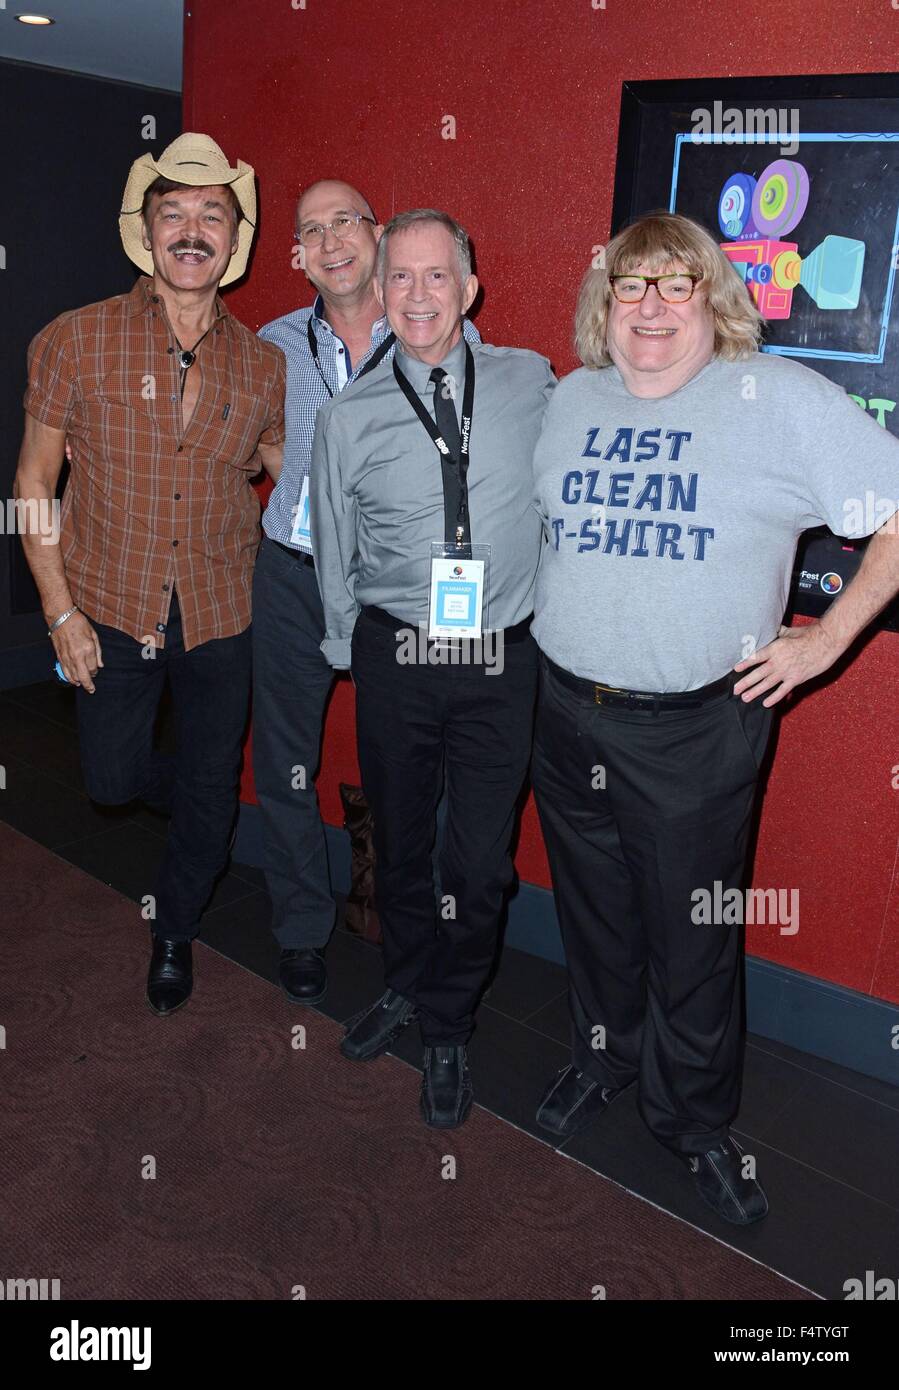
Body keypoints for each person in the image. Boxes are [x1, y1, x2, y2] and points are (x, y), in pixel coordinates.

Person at [530, 210, 899, 1222]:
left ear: (712, 300)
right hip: (563, 710)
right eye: (629, 284)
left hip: (692, 731)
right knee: (594, 916)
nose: (648, 305)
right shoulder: (570, 399)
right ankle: (601, 1063)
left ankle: (690, 1122)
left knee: (691, 940)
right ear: (604, 303)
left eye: (674, 283)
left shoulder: (774, 398)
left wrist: (824, 640)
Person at [15, 133, 285, 1016]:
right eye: (175, 213)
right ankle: (204, 823)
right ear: (147, 230)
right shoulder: (73, 337)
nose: (193, 230)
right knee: (111, 781)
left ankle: (175, 929)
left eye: (213, 214)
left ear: (233, 240)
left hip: (221, 611)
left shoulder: (263, 364)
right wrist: (59, 614)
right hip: (109, 606)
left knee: (210, 783)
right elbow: (30, 485)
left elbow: (288, 466)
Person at [311, 209, 555, 1127]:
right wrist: (346, 651)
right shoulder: (350, 414)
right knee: (401, 843)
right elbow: (333, 542)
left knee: (480, 861)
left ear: (470, 287)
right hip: (398, 653)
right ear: (379, 292)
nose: (416, 295)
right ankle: (410, 985)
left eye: (435, 276)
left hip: (499, 656)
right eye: (398, 278)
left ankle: (450, 1022)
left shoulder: (532, 381)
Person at [254, 182, 479, 1006]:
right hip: (291, 576)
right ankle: (300, 928)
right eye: (310, 230)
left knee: (416, 767)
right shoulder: (271, 344)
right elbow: (254, 444)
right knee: (284, 763)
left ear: (375, 234)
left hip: (397, 590)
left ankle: (419, 929)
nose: (331, 240)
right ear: (298, 254)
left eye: (344, 221)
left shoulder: (436, 330)